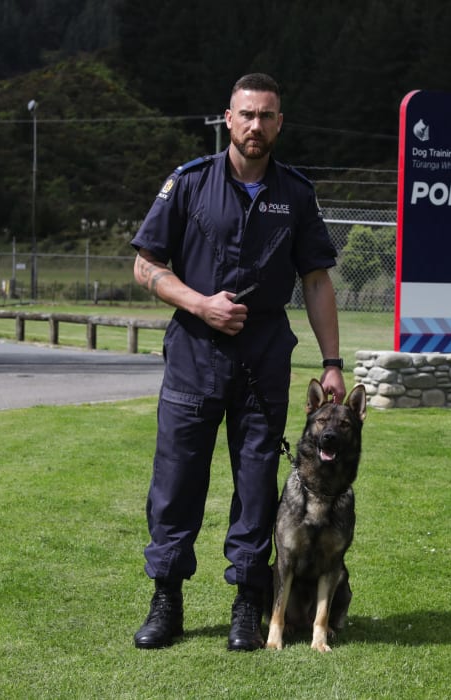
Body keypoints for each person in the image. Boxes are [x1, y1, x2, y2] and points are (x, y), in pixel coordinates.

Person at [129, 73, 346, 651]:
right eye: (246, 114)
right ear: (227, 118)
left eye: (267, 115)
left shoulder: (296, 194)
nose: (256, 125)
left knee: (257, 486)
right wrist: (200, 304)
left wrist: (333, 363)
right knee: (176, 483)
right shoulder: (190, 184)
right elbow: (145, 265)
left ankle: (248, 606)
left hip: (264, 359)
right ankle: (166, 601)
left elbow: (318, 281)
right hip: (194, 357)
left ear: (279, 123)